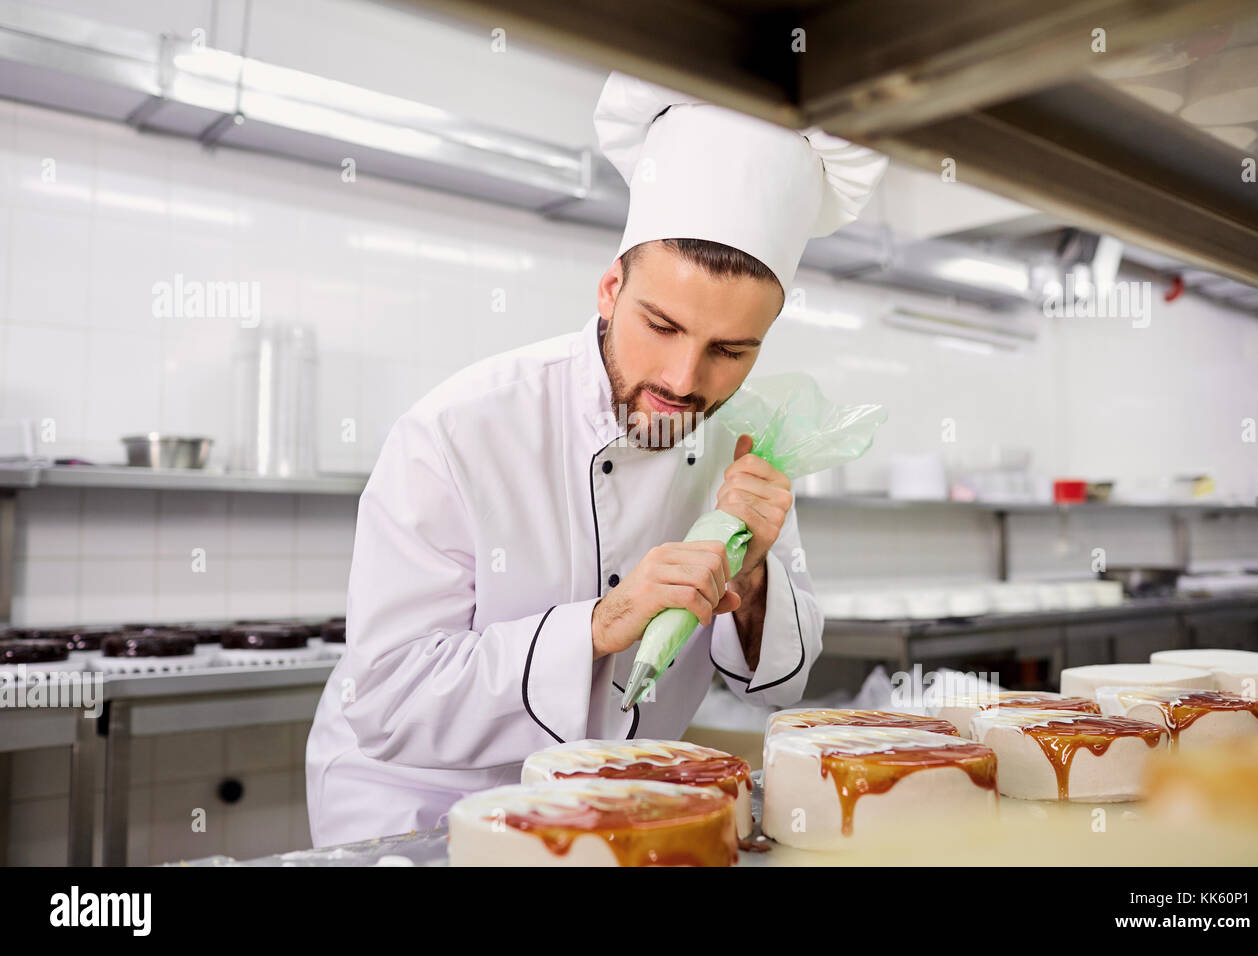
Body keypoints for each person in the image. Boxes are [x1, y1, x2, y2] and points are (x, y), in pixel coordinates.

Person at [305, 71, 888, 847]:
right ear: (610, 288)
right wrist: (604, 622)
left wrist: (751, 584)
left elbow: (778, 681)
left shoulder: (742, 443)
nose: (684, 381)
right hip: (420, 813)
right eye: (662, 326)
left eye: (729, 350)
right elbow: (388, 699)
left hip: (617, 809)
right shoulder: (458, 430)